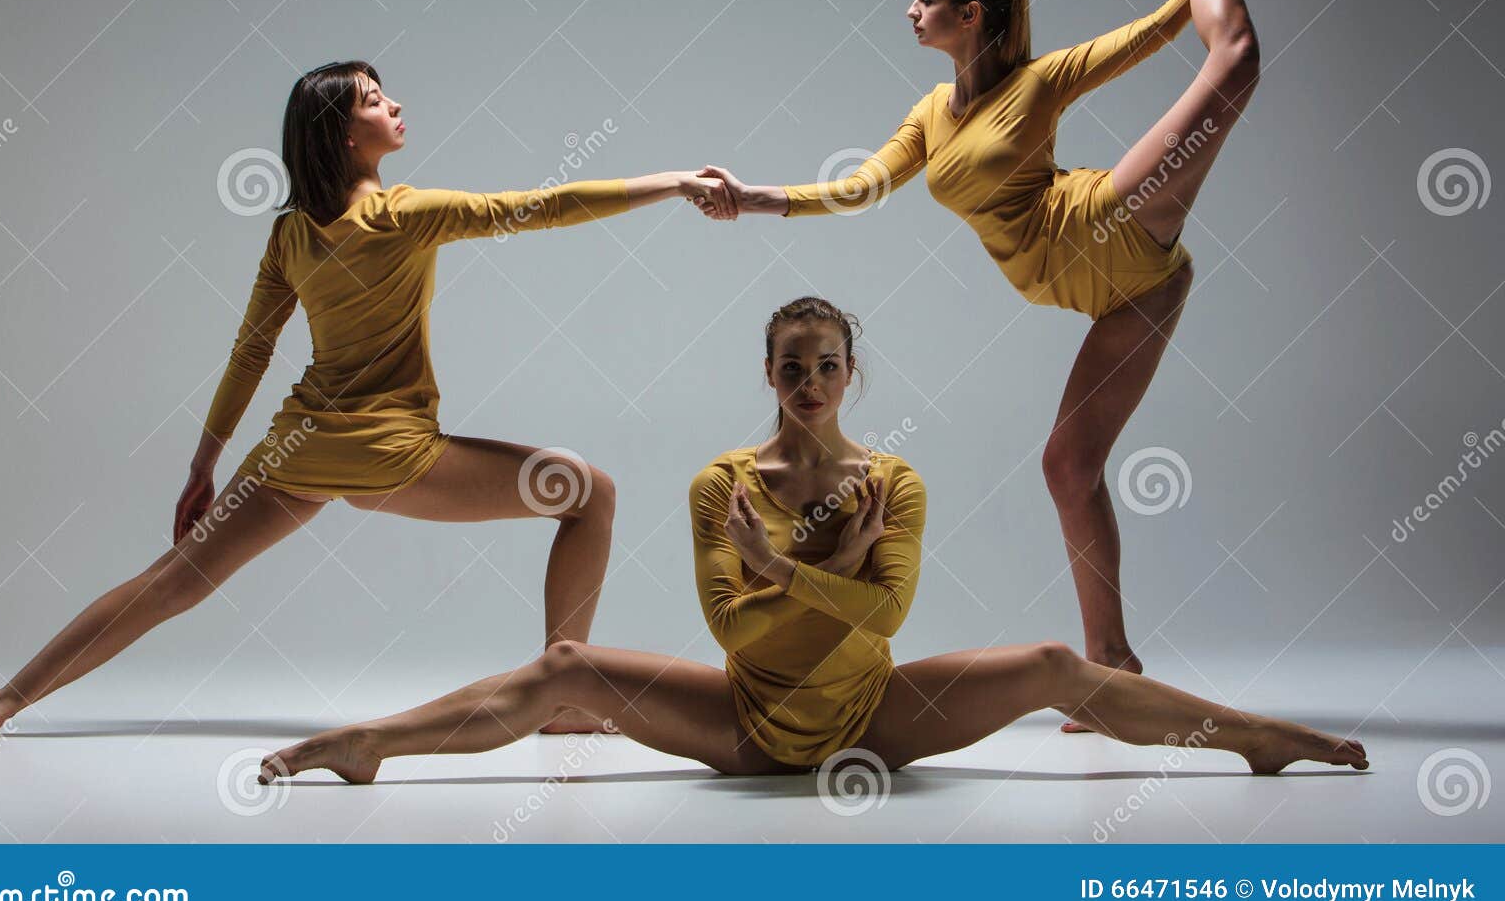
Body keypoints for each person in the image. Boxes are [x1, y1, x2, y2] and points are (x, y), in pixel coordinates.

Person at [0, 60, 732, 739]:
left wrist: (203, 465)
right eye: (376, 100)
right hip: (393, 455)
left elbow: (252, 350)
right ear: (348, 135)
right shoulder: (407, 215)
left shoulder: (290, 232)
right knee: (591, 494)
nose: (395, 105)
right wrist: (675, 182)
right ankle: (563, 698)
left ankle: (3, 702)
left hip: (298, 452)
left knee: (173, 578)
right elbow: (546, 206)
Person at [256, 297, 1367, 786]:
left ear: (850, 374)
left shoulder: (893, 478)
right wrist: (823, 567)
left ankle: (1258, 735)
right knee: (563, 669)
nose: (807, 379)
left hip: (871, 716)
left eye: (826, 362)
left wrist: (790, 566)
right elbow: (728, 625)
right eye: (790, 362)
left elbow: (886, 619)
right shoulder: (718, 483)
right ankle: (365, 742)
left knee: (1050, 666)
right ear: (768, 373)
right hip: (742, 721)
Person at [690, 0, 1255, 729]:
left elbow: (1165, 26)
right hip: (1107, 293)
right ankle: (1111, 662)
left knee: (1231, 66)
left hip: (1105, 228)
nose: (909, 12)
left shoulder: (1039, 82)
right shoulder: (929, 113)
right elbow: (860, 185)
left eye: (924, 0)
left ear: (972, 15)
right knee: (1068, 467)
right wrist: (750, 198)